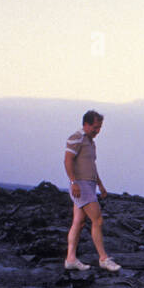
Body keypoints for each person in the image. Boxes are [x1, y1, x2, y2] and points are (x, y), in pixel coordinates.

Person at [63, 110, 120, 272]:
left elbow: (91, 166)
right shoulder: (76, 138)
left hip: (90, 185)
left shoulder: (90, 142)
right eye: (95, 127)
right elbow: (67, 160)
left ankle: (70, 259)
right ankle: (103, 258)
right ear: (86, 124)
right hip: (80, 185)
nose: (98, 131)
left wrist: (100, 185)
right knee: (98, 219)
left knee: (79, 222)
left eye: (100, 128)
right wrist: (73, 182)